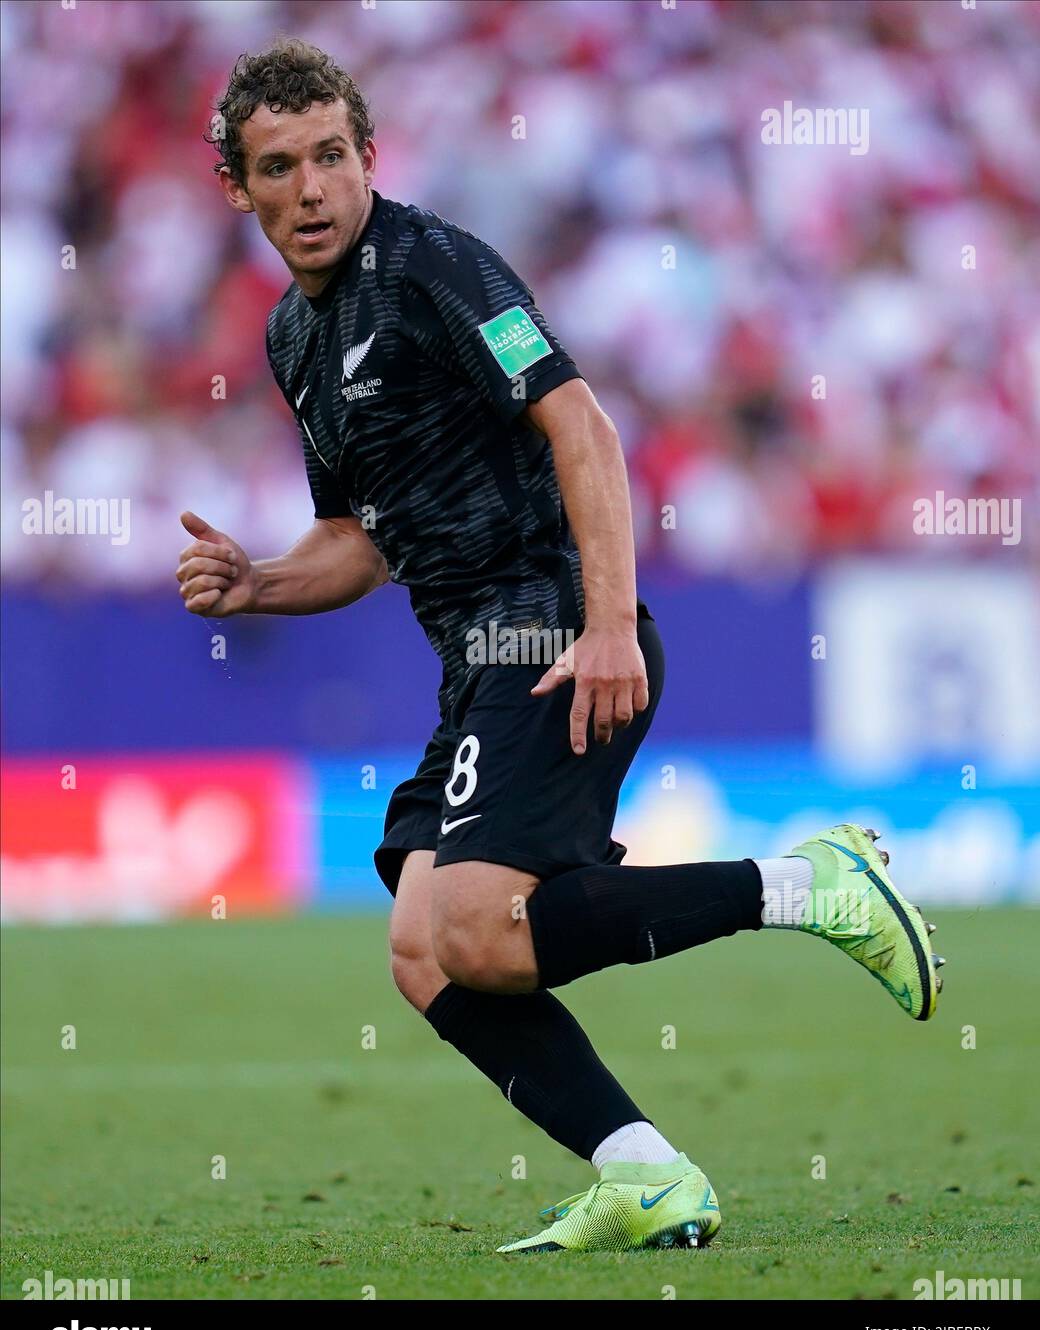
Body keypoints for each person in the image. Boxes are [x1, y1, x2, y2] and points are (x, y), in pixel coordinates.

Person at [176, 39, 942, 1254]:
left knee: (481, 927)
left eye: (332, 157)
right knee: (425, 953)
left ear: (369, 157)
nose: (312, 189)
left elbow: (580, 423)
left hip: (548, 620)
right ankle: (644, 1174)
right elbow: (356, 537)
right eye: (281, 167)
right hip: (473, 654)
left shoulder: (430, 264)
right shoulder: (294, 342)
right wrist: (261, 580)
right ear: (240, 187)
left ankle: (809, 886)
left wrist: (600, 621)